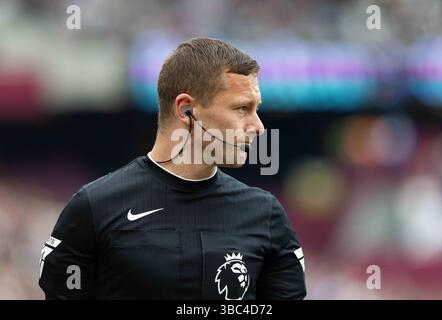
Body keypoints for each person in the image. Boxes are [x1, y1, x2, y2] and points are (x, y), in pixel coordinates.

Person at [39, 37, 306, 300]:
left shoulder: (265, 214)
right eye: (242, 108)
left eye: (256, 109)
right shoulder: (95, 208)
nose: (258, 127)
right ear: (186, 109)